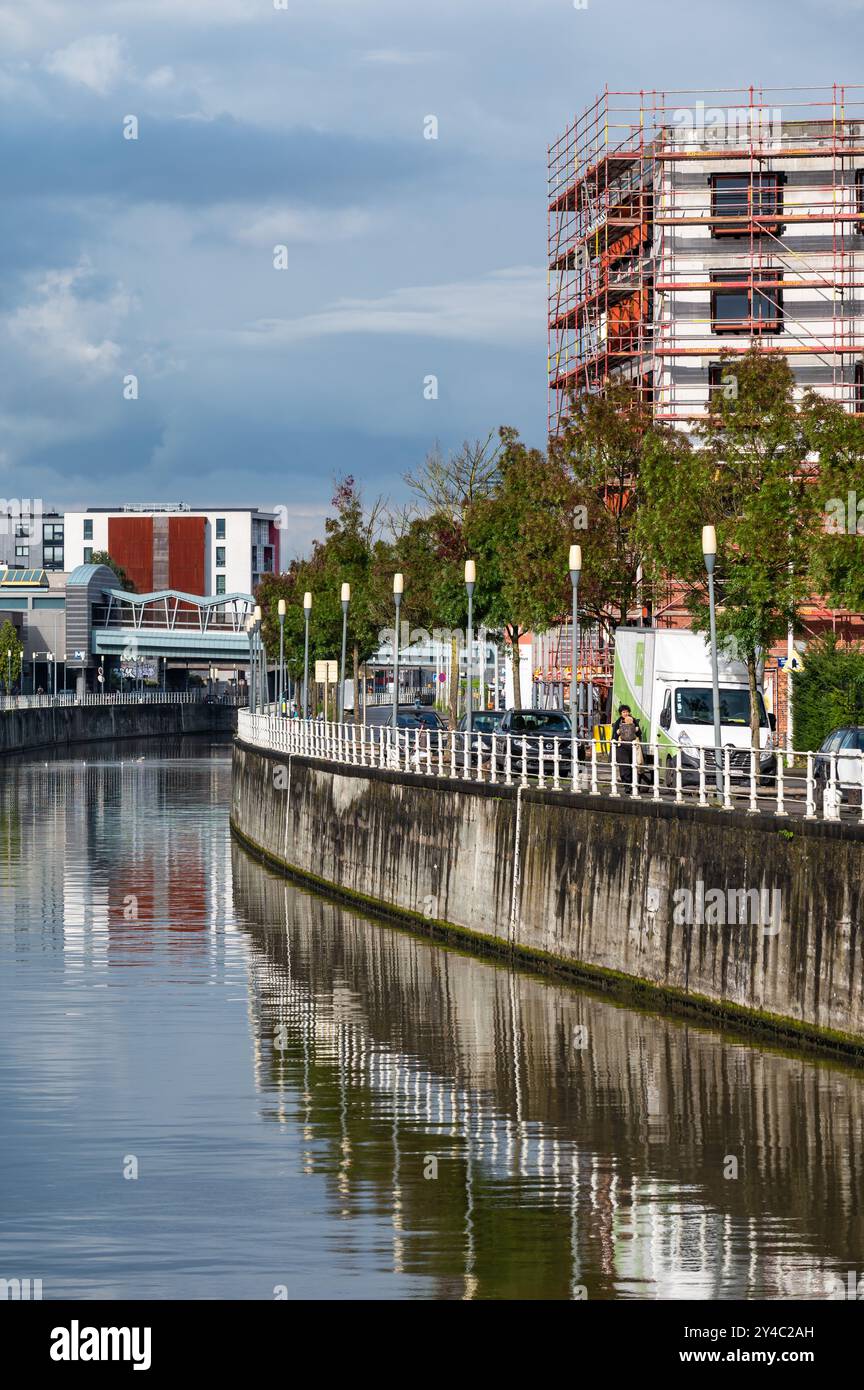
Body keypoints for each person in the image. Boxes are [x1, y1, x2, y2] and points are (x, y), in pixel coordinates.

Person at [612, 704, 643, 786]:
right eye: (623, 712)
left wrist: (636, 730)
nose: (625, 713)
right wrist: (615, 739)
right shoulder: (618, 721)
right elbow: (614, 734)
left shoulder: (634, 720)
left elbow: (639, 733)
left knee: (633, 765)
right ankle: (626, 784)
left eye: (627, 712)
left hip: (632, 746)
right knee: (624, 766)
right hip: (622, 746)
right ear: (621, 713)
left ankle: (632, 783)